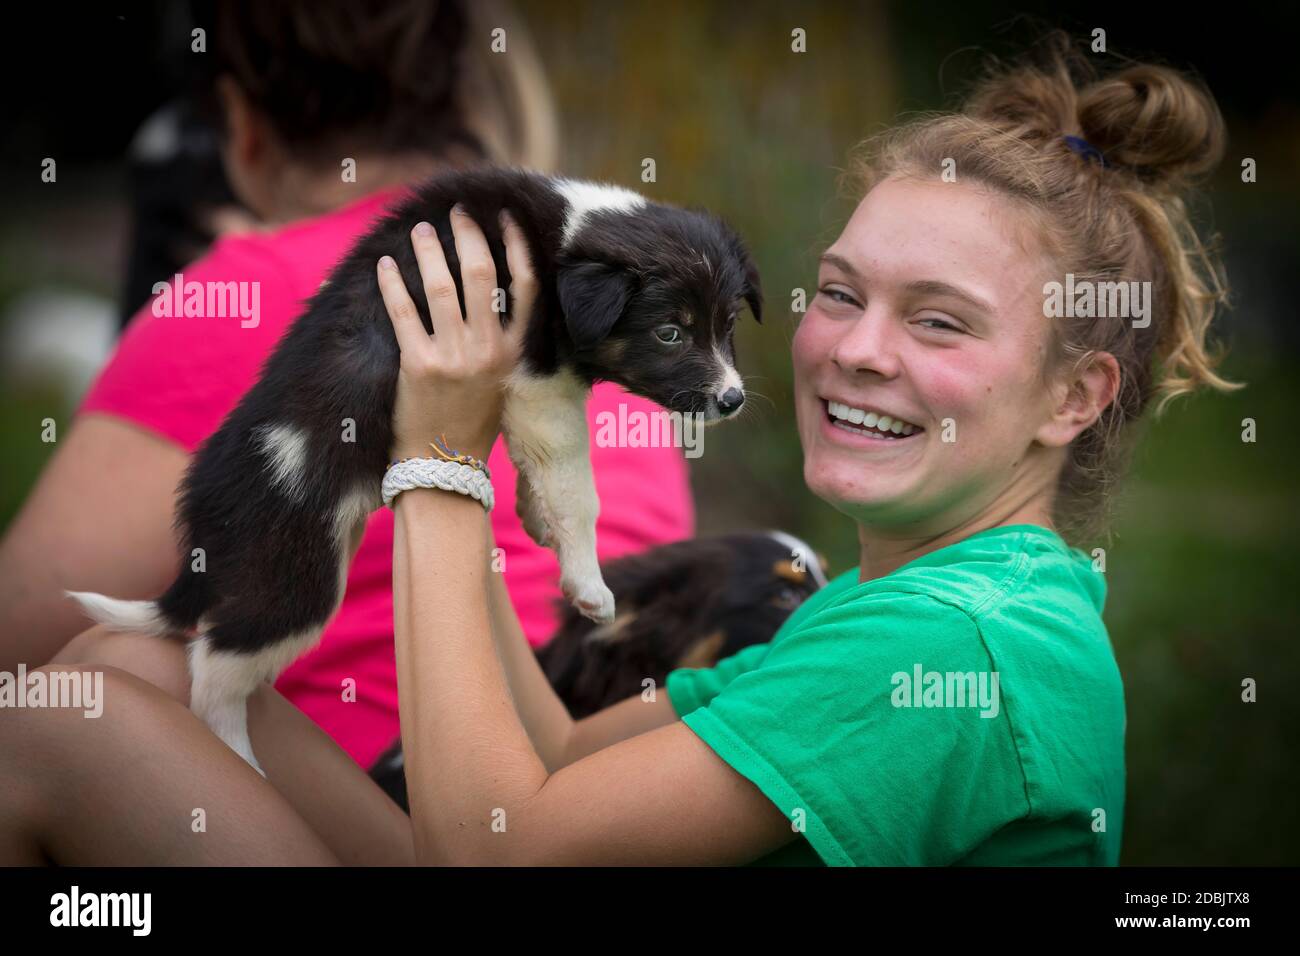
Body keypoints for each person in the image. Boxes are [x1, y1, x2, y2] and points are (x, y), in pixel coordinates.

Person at [0, 32, 1240, 865]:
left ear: (1072, 398)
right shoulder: (900, 599)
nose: (855, 349)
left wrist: (432, 472)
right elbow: (554, 759)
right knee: (127, 661)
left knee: (52, 729)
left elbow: (499, 835)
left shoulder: (952, 645)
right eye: (838, 291)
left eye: (937, 321)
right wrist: (477, 430)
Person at [0, 0, 693, 771]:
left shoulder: (244, 291)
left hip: (392, 799)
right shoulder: (604, 297)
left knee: (65, 705)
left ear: (243, 127)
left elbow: (18, 642)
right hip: (603, 779)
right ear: (473, 96)